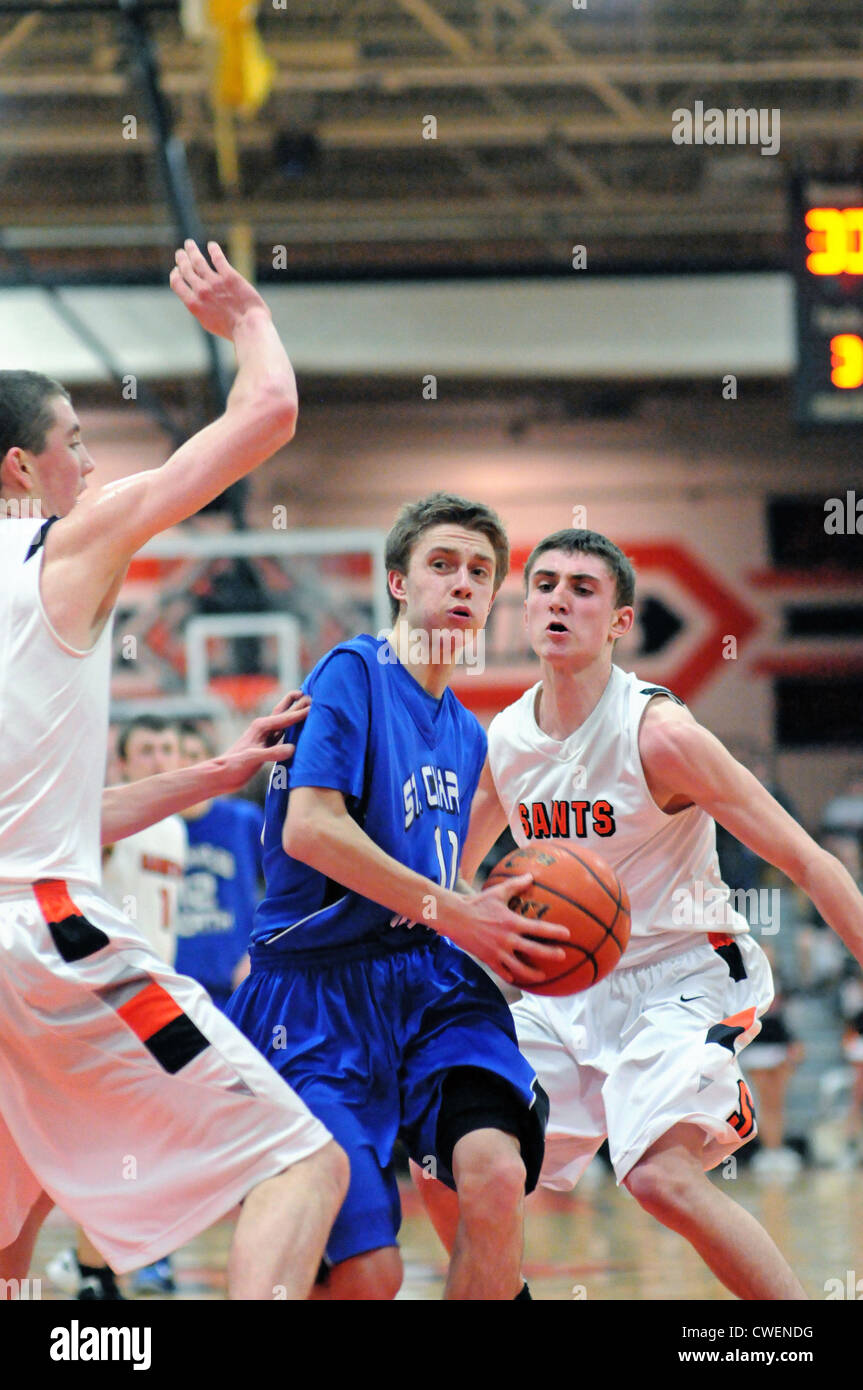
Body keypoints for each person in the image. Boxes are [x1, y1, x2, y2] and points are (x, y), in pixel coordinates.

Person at [0, 238, 348, 1300]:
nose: (92, 465)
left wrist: (206, 777)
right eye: (75, 442)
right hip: (49, 937)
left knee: (12, 1244)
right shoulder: (59, 544)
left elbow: (43, 809)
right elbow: (266, 416)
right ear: (22, 468)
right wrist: (247, 322)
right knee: (302, 1160)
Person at [414, 526, 863, 1300]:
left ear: (620, 622)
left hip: (680, 975)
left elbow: (808, 862)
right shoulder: (507, 740)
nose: (558, 600)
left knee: (657, 1178)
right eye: (544, 585)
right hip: (563, 993)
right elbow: (447, 876)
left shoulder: (661, 736)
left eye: (582, 589)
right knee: (447, 1158)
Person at [225, 492, 570, 1300]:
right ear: (397, 583)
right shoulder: (353, 672)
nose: (461, 584)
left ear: (492, 599)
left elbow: (441, 883)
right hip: (314, 995)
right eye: (441, 565)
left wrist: (510, 935)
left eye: (479, 572)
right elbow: (311, 830)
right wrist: (460, 915)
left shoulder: (467, 732)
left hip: (426, 985)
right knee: (367, 1272)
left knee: (491, 1173)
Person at [48, 714, 190, 1299]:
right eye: (147, 750)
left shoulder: (176, 828)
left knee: (142, 1143)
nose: (160, 758)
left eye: (168, 747)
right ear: (124, 764)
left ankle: (94, 1264)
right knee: (112, 1144)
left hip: (159, 1000)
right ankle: (94, 1271)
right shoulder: (108, 818)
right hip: (105, 1000)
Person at [173, 720, 264, 1012]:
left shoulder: (242, 820)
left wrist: (259, 951)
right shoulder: (148, 831)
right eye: (178, 756)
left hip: (234, 987)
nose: (186, 764)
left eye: (194, 755)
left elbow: (288, 888)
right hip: (171, 991)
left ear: (212, 762)